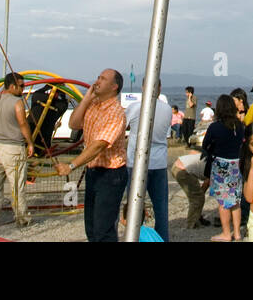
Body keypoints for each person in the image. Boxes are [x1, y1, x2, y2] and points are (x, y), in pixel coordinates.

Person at [54, 69, 127, 242]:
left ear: (114, 86)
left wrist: (71, 165)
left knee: (104, 230)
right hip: (94, 171)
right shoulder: (93, 104)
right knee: (92, 228)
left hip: (111, 174)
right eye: (98, 77)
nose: (97, 81)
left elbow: (99, 145)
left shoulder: (116, 112)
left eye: (103, 79)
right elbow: (73, 123)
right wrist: (87, 97)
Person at [0, 72, 33, 229]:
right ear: (12, 86)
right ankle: (21, 217)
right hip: (14, 148)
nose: (23, 89)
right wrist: (30, 143)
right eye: (22, 86)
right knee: (17, 184)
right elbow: (23, 123)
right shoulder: (17, 102)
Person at [124, 82, 172, 241]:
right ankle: (162, 238)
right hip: (158, 162)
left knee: (134, 207)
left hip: (136, 162)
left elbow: (122, 127)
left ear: (144, 87)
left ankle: (135, 236)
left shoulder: (135, 107)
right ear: (159, 88)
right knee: (161, 209)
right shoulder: (167, 109)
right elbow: (166, 134)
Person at [200, 94, 245, 242]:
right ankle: (237, 233)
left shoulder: (215, 127)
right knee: (235, 200)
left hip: (221, 165)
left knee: (223, 201)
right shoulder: (239, 125)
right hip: (237, 165)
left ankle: (226, 233)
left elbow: (205, 145)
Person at [172, 150, 209, 229]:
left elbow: (192, 152)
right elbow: (207, 183)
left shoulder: (212, 158)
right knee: (197, 198)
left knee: (197, 196)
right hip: (182, 170)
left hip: (179, 165)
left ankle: (196, 217)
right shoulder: (217, 166)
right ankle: (192, 224)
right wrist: (200, 197)